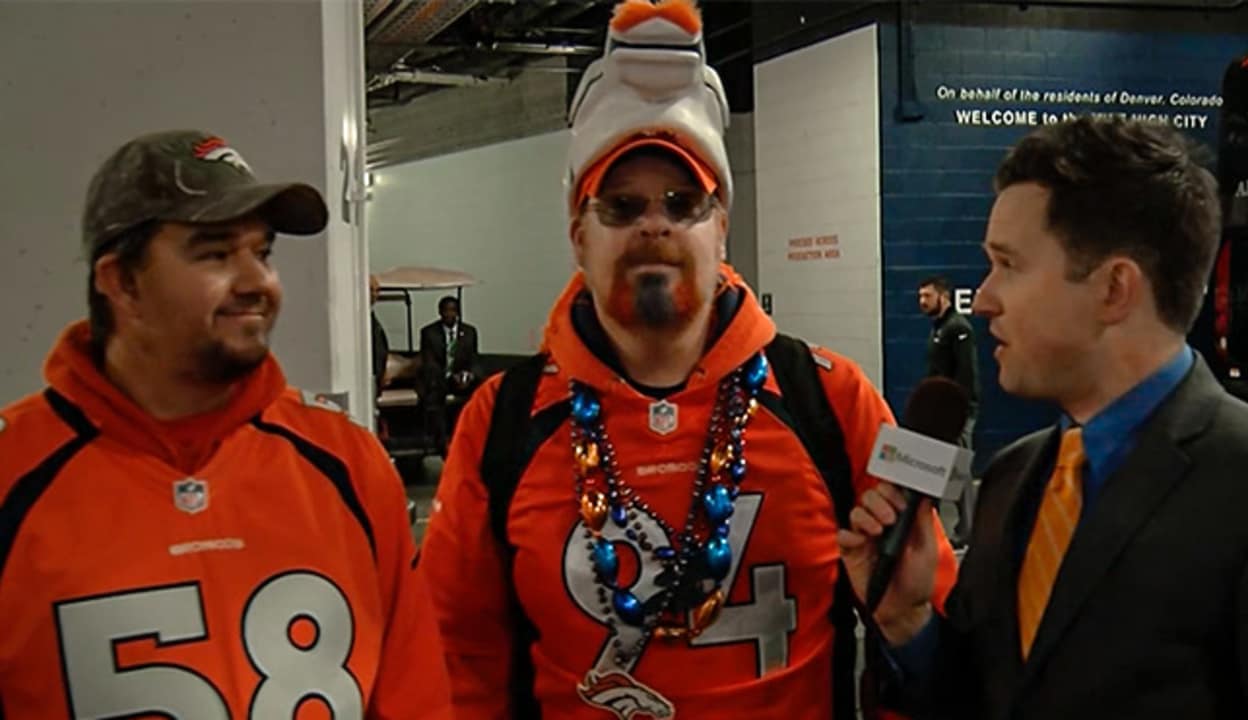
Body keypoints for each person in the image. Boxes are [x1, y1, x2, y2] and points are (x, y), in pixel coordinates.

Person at [421, 1, 957, 718]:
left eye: (683, 201)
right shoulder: (503, 421)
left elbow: (938, 637)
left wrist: (909, 627)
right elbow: (458, 659)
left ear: (722, 228)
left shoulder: (832, 400)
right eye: (619, 205)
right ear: (579, 235)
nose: (654, 223)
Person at [0, 129, 451, 719]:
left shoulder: (345, 460)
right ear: (121, 282)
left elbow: (415, 699)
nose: (256, 281)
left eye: (261, 253)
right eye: (214, 253)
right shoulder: (17, 475)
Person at [840, 117, 1248, 719]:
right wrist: (907, 621)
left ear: (1113, 289)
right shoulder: (1011, 478)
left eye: (1008, 264)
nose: (986, 297)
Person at [917, 274, 979, 546]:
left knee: (960, 471)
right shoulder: (938, 328)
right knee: (943, 468)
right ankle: (948, 528)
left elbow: (966, 373)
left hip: (958, 410)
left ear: (943, 297)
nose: (922, 301)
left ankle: (969, 531)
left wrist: (959, 412)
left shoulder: (958, 328)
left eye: (927, 296)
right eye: (920, 296)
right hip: (940, 409)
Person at [418, 295, 478, 451]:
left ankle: (471, 437)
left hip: (461, 377)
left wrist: (467, 375)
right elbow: (429, 361)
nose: (449, 314)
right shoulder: (429, 332)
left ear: (457, 312)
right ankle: (442, 442)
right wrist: (449, 376)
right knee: (435, 396)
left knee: (478, 390)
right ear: (440, 312)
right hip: (439, 378)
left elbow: (473, 359)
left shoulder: (469, 332)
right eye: (446, 311)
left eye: (452, 311)